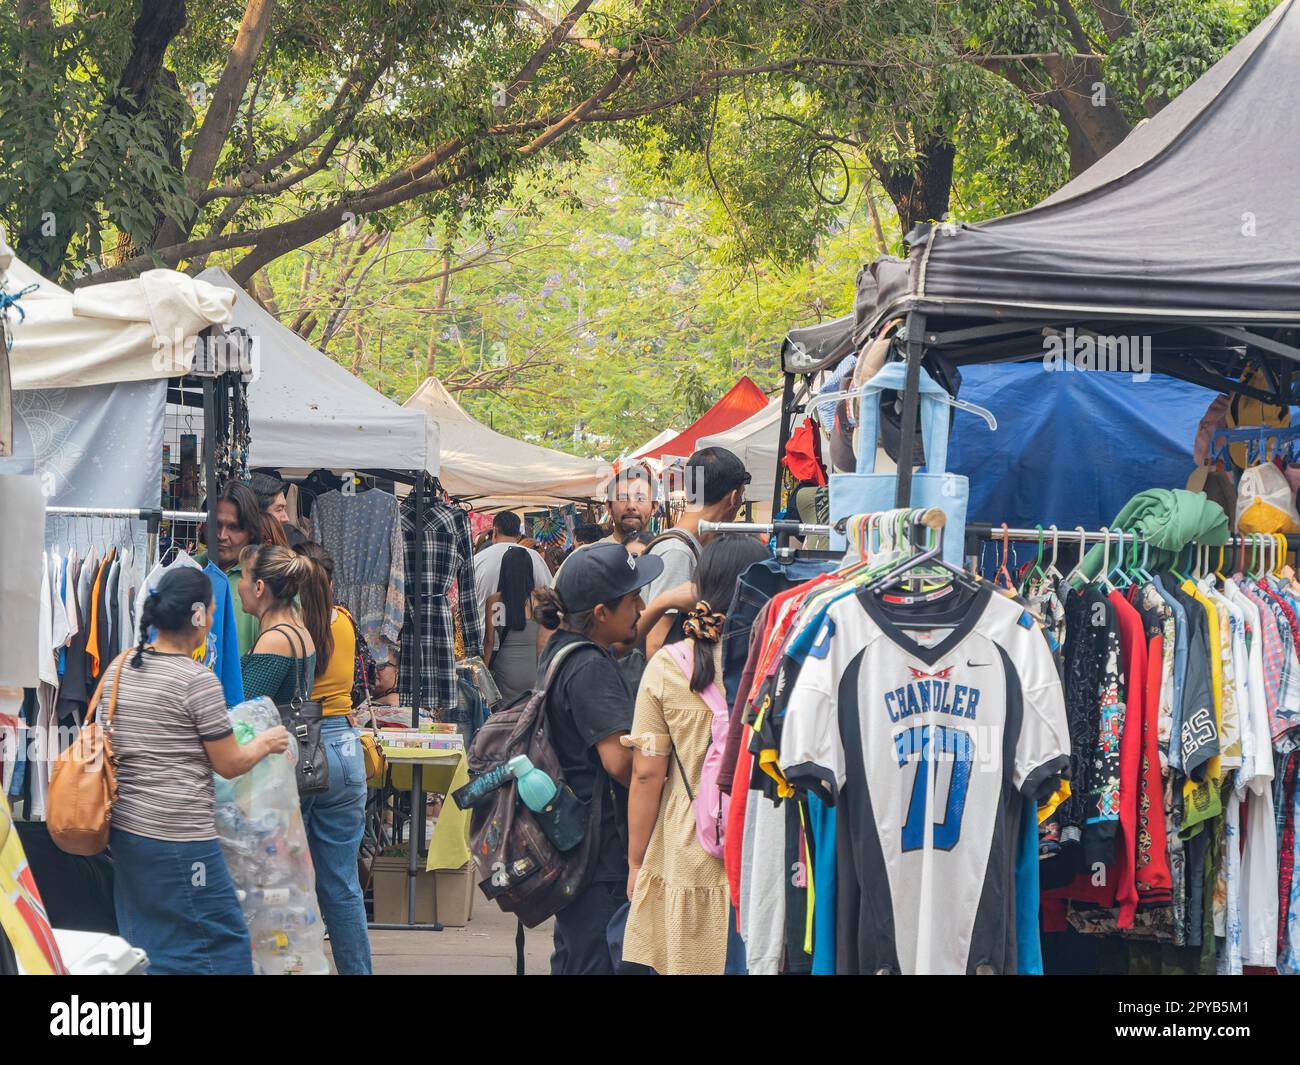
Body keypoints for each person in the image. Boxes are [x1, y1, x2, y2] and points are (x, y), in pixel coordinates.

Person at [105, 566, 289, 975]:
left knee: (145, 944)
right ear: (200, 617)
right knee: (222, 943)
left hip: (127, 834)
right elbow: (230, 762)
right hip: (182, 840)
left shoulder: (119, 670)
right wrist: (268, 741)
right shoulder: (196, 681)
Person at [622, 536, 767, 974]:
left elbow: (647, 775)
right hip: (761, 841)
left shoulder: (668, 666)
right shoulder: (780, 659)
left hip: (688, 847)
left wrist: (635, 861)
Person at [533, 543, 664, 974]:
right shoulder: (590, 668)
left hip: (575, 845)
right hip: (602, 851)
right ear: (602, 613)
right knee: (597, 959)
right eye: (632, 600)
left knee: (574, 958)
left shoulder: (561, 651)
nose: (641, 606)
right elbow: (620, 764)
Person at [291, 541, 373, 976]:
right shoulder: (343, 622)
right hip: (344, 745)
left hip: (302, 746)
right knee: (341, 885)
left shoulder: (288, 631)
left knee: (291, 881)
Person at [637, 447, 751, 659]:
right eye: (742, 497)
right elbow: (656, 647)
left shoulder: (688, 546)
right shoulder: (677, 553)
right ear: (734, 498)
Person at [237, 545, 322, 704]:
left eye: (242, 577)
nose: (239, 585)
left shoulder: (275, 640)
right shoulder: (298, 628)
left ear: (258, 587)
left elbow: (243, 711)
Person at [482, 546, 543, 704]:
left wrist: (484, 673)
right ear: (529, 570)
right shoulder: (539, 599)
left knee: (505, 718)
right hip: (533, 671)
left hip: (505, 673)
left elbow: (489, 641)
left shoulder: (495, 601)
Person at [211, 481, 267, 653]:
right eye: (217, 524)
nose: (222, 535)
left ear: (250, 531)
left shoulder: (267, 580)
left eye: (233, 527)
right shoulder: (191, 569)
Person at [473, 512, 552, 627]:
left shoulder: (477, 560)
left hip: (485, 633)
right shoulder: (534, 557)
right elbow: (548, 596)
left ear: (494, 531)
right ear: (519, 535)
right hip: (526, 635)